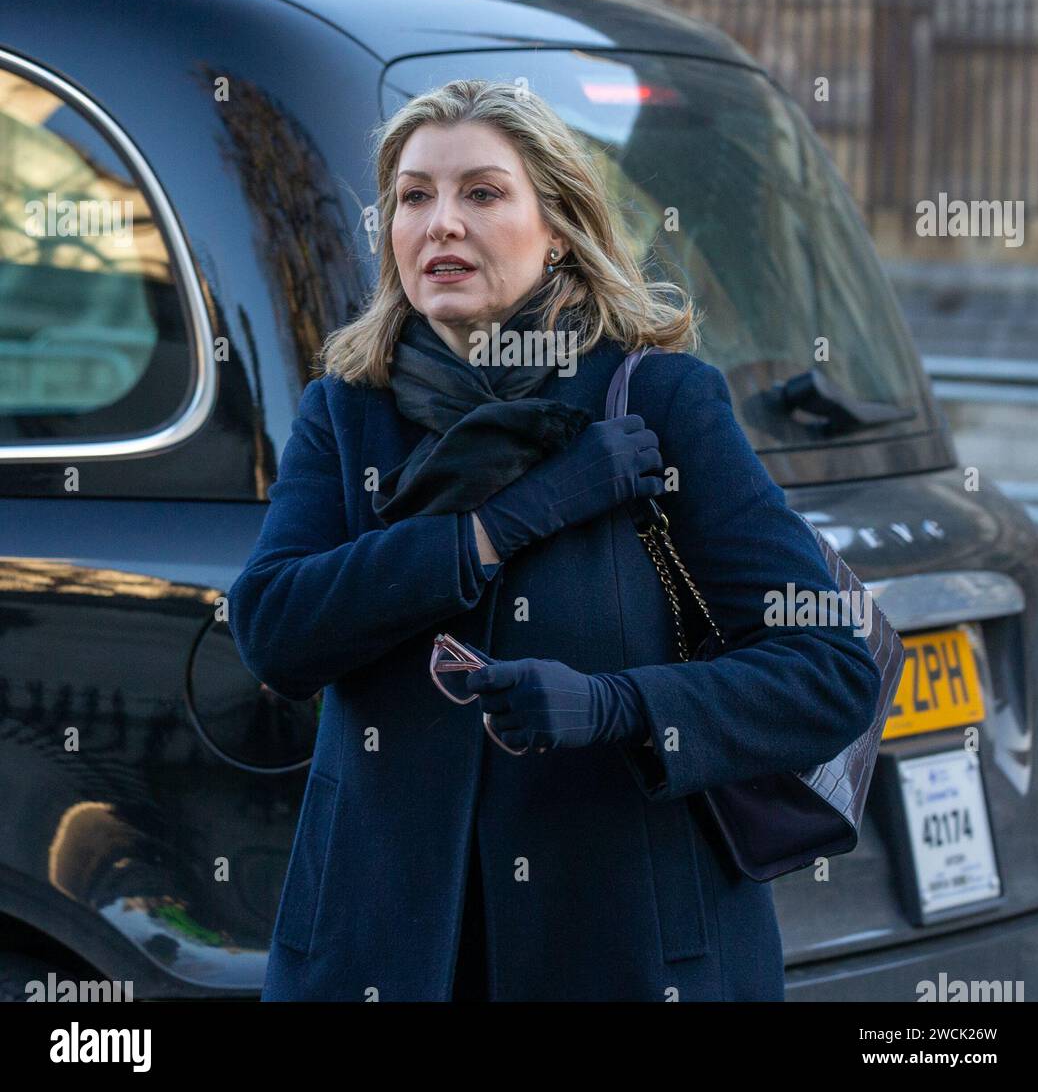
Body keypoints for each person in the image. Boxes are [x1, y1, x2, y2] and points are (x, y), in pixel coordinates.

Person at [227, 78, 881, 1002]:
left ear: (561, 225)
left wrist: (615, 706)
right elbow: (274, 630)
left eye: (482, 193)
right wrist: (495, 529)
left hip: (624, 951)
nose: (440, 223)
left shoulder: (658, 400)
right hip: (379, 951)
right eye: (414, 196)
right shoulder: (347, 411)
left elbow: (828, 672)